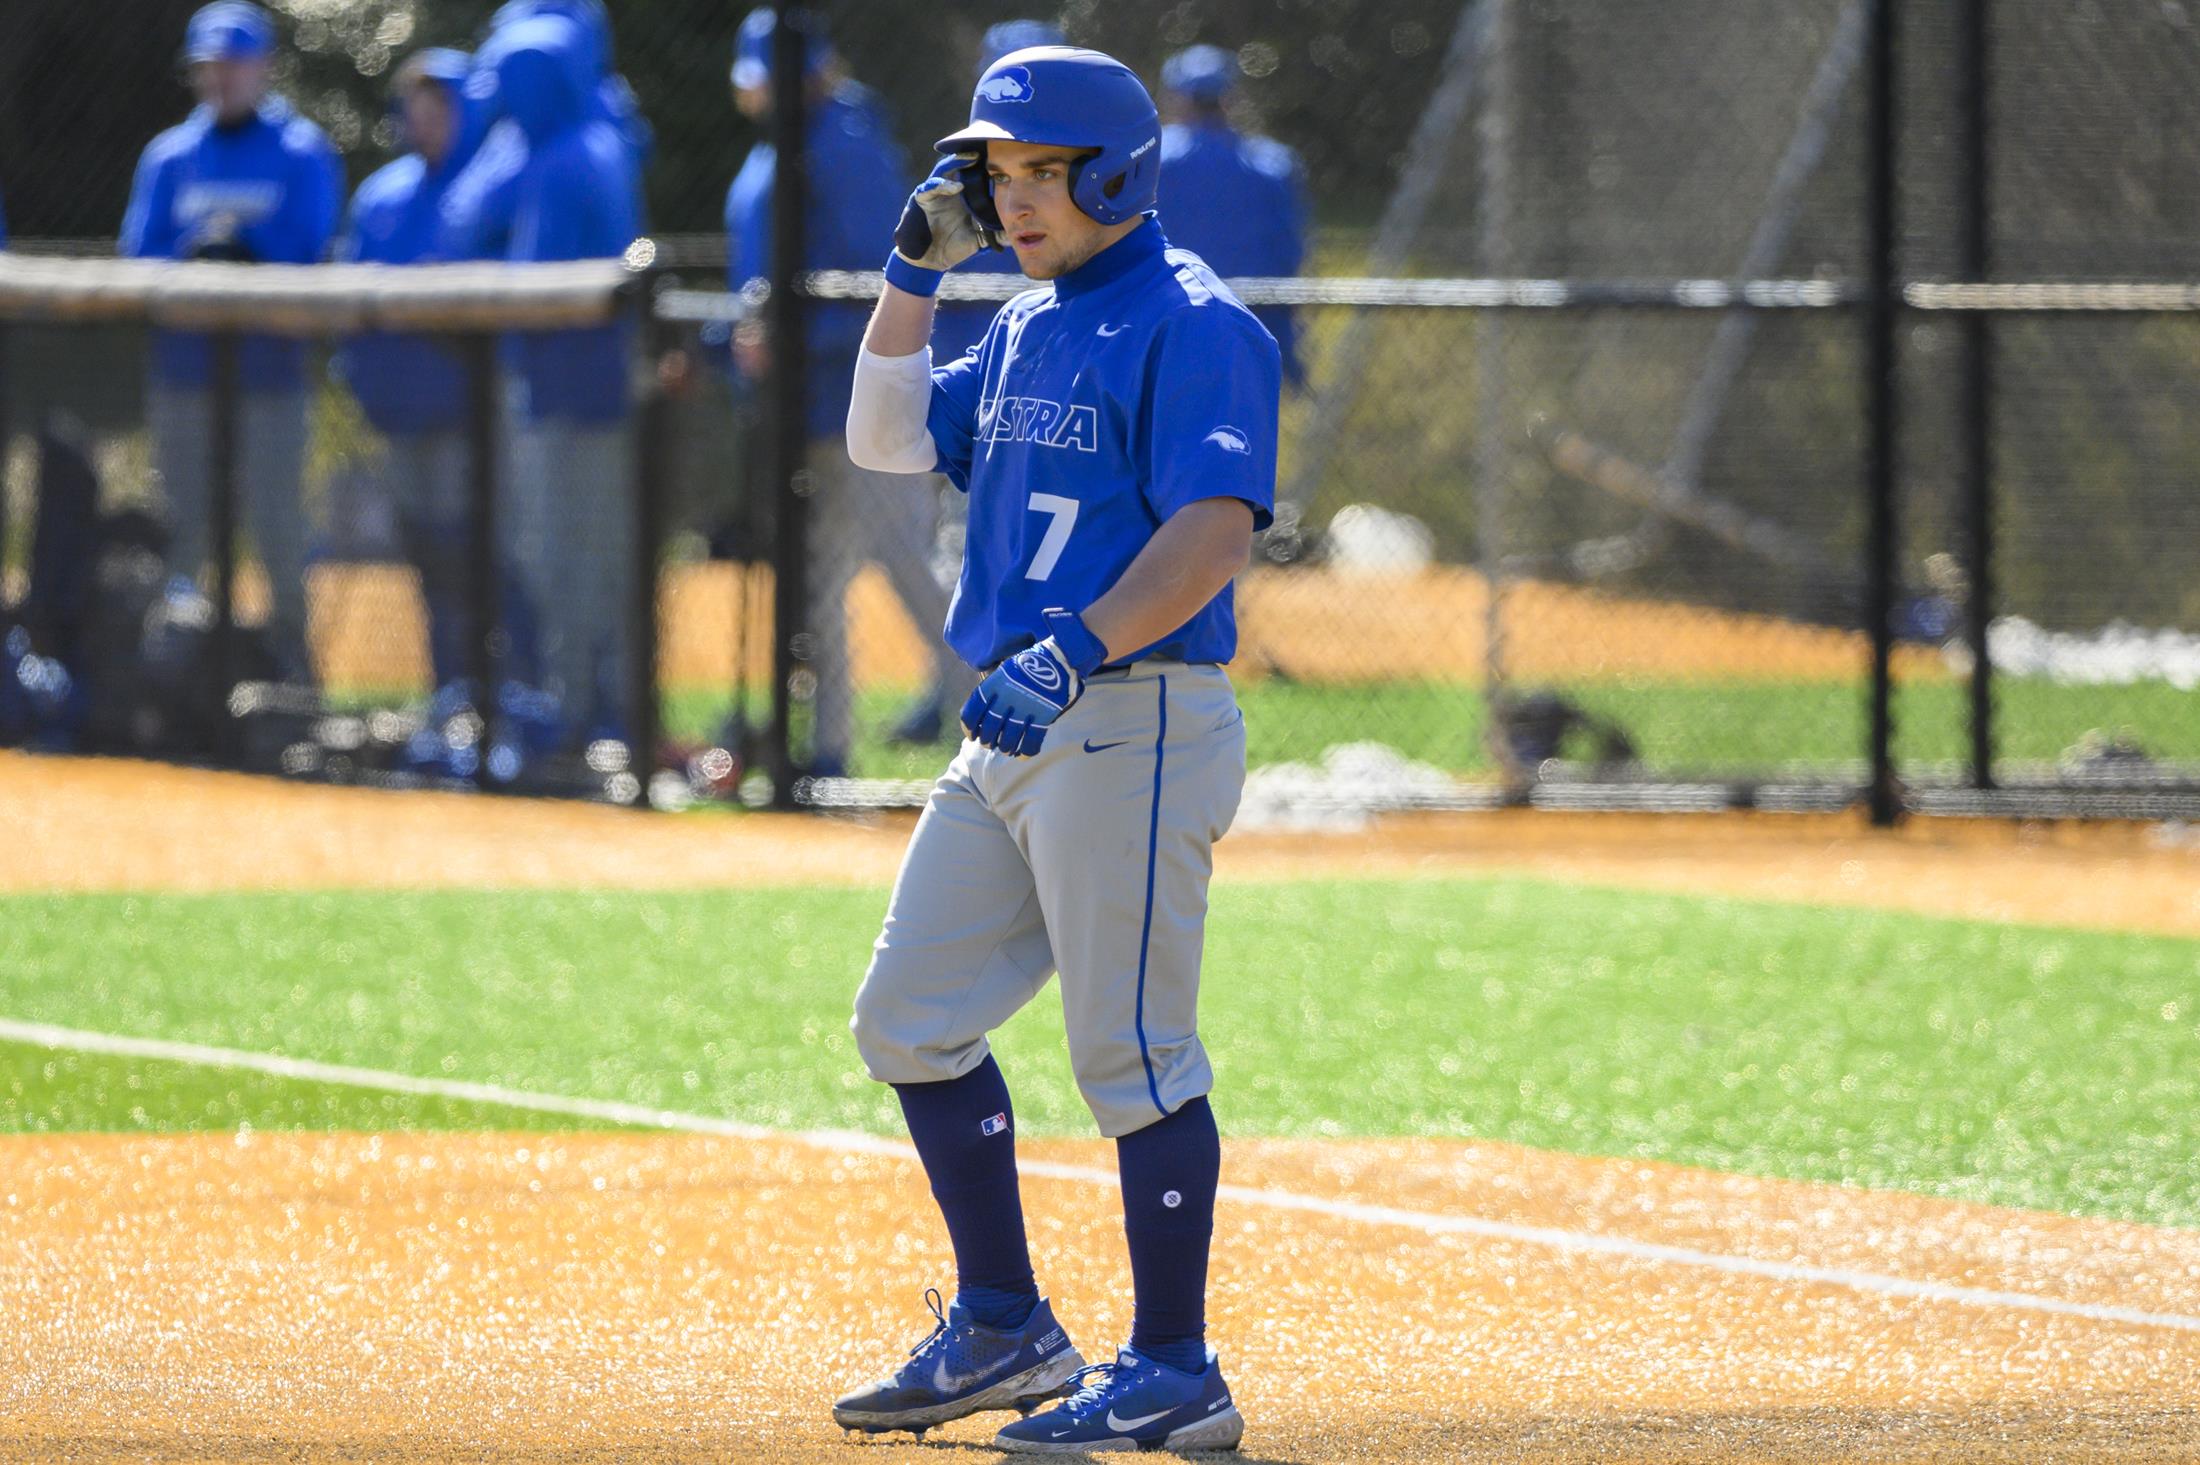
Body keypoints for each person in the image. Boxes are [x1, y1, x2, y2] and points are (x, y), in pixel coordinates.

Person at [832, 45, 1279, 1454]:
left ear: (1116, 172)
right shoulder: (1027, 321)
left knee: (1132, 1055)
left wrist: (1079, 642)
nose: (1013, 200)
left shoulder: (1193, 319)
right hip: (1013, 725)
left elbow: (1213, 530)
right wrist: (913, 274)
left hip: (1132, 716)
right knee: (907, 1019)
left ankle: (1176, 1367)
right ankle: (1007, 1324)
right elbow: (886, 439)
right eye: (998, 174)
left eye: (1040, 171)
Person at [725, 6, 960, 771]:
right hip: (807, 403)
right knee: (822, 575)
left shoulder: (844, 142)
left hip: (860, 399)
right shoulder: (781, 148)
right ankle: (826, 751)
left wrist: (795, 338)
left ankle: (991, 709)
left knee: (902, 561)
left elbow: (883, 286)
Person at [119, 0, 341, 683]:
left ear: (265, 68)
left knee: (278, 533)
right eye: (210, 66)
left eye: (236, 64)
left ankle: (293, 679)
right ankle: (171, 682)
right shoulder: (170, 156)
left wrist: (247, 247)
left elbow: (313, 250)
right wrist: (195, 250)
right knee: (181, 532)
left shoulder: (302, 152)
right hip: (186, 375)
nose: (222, 78)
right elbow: (138, 256)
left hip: (270, 376)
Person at [492, 12, 641, 750]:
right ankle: (597, 705)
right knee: (590, 555)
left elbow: (534, 282)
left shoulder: (563, 157)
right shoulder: (598, 141)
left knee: (560, 559)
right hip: (593, 389)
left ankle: (575, 709)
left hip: (565, 392)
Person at [333, 48, 484, 696]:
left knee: (473, 556)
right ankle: (445, 688)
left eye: (438, 109)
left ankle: (486, 689)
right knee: (425, 557)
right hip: (399, 412)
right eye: (414, 110)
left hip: (471, 416)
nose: (423, 122)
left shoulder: (485, 186)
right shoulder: (383, 194)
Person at [1157, 44, 1308, 386]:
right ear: (1229, 97)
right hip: (1256, 316)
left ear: (1180, 97)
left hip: (1172, 316)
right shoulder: (1272, 163)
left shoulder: (1153, 159)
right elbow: (1290, 249)